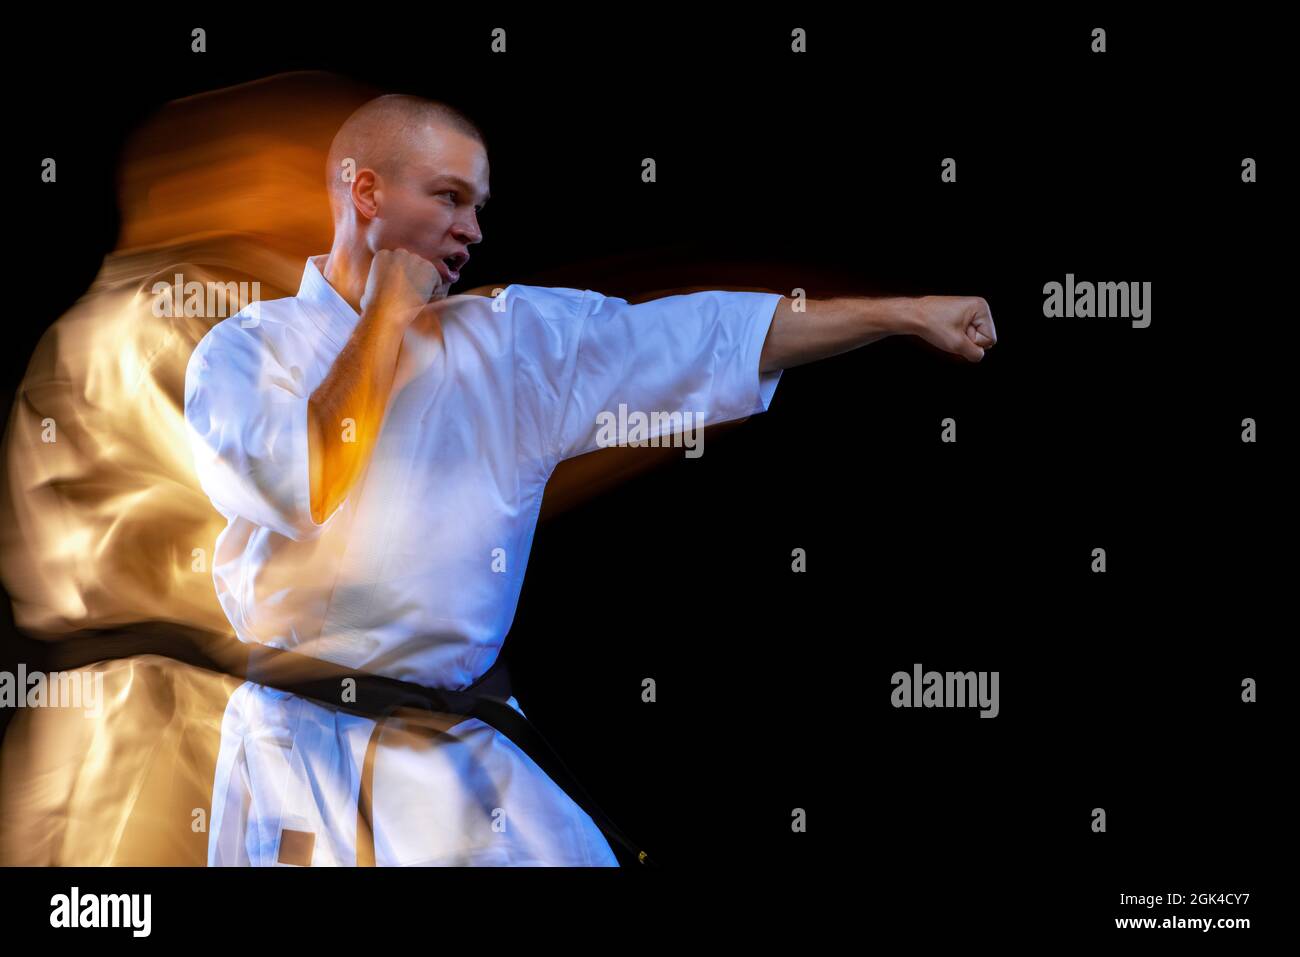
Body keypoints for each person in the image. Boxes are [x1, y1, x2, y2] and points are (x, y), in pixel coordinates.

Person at [184, 93, 997, 867]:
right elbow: (300, 482)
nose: (471, 230)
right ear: (366, 191)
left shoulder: (509, 347)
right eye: (449, 197)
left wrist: (901, 313)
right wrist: (386, 320)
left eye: (479, 207)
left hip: (448, 750)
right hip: (295, 752)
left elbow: (693, 337)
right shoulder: (245, 353)